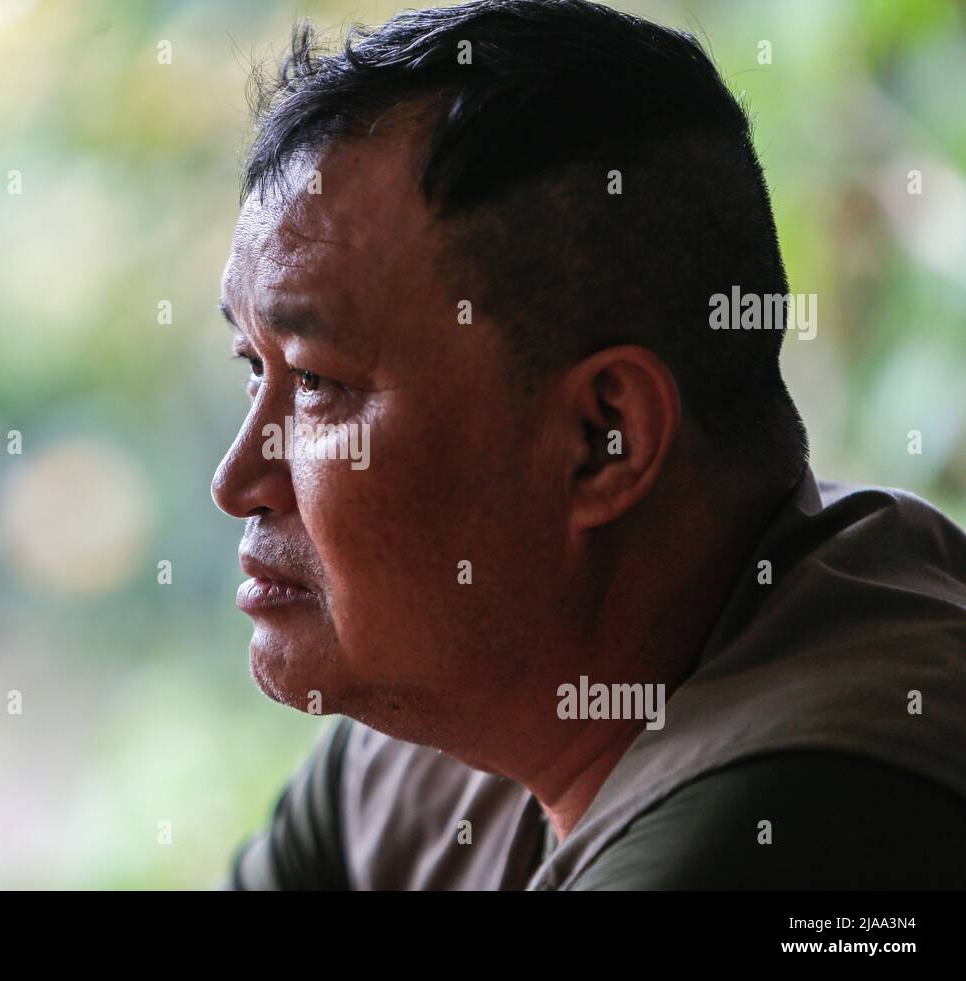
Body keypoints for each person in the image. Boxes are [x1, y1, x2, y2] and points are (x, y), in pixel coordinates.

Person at [209, 0, 966, 889]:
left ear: (602, 440)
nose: (237, 480)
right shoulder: (439, 739)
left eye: (319, 384)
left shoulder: (794, 812)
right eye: (252, 368)